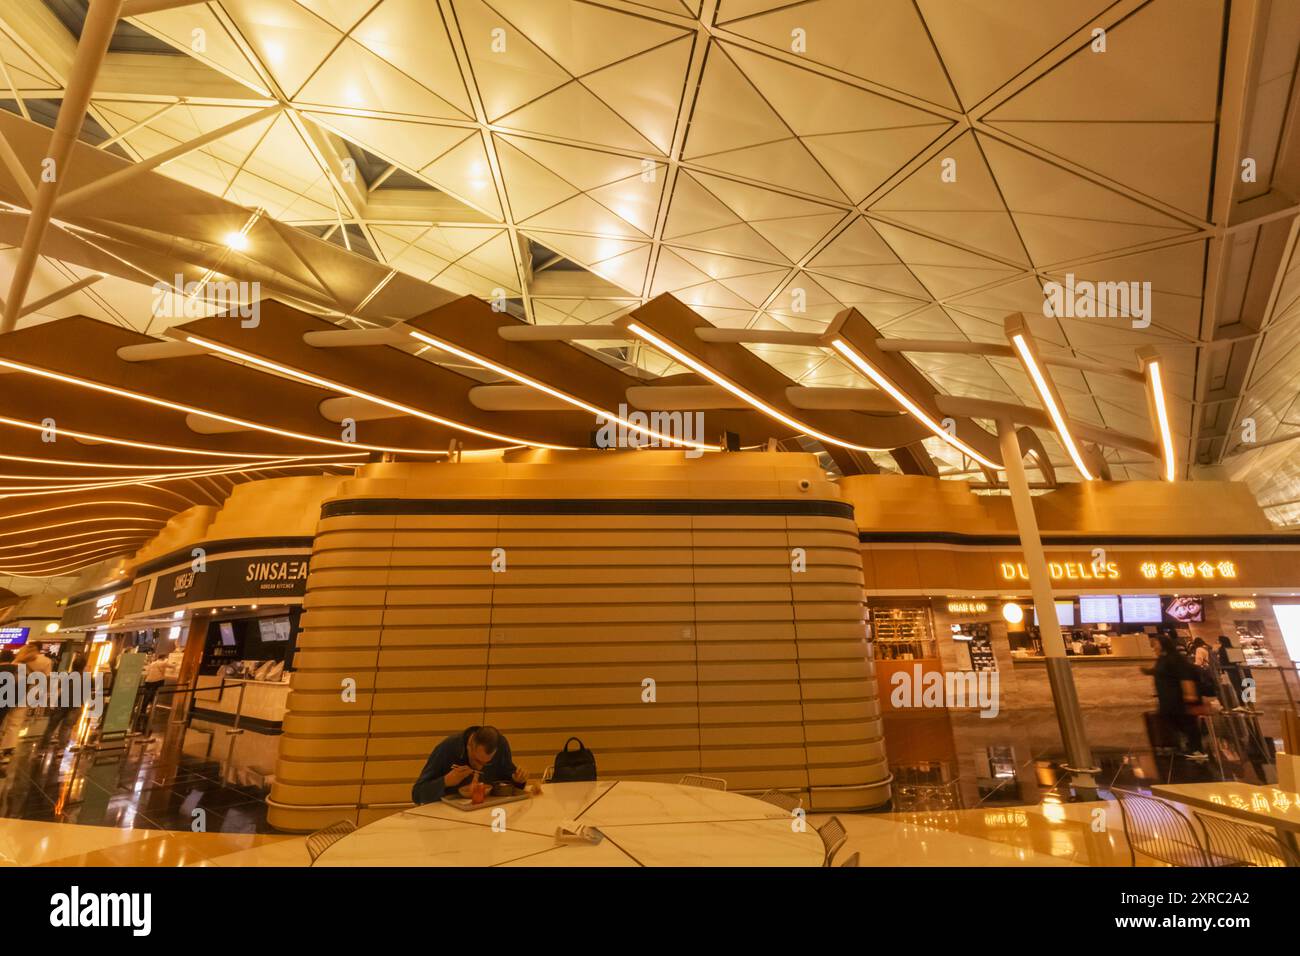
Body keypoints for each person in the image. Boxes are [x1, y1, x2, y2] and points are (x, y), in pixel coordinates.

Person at [412, 725, 527, 804]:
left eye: (487, 763)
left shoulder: (501, 745)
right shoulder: (448, 748)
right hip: (449, 819)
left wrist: (518, 781)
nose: (480, 767)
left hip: (488, 812)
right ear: (469, 745)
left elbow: (508, 786)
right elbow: (417, 794)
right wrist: (446, 781)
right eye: (476, 760)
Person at [1143, 633, 1206, 759]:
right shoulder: (1163, 658)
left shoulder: (1174, 658)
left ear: (1163, 644)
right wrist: (1145, 671)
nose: (1153, 646)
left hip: (1177, 697)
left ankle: (1197, 749)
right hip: (1167, 697)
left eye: (1155, 643)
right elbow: (1158, 671)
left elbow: (1185, 676)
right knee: (1173, 719)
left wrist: (1190, 694)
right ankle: (1187, 746)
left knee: (1186, 722)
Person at [134, 654, 167, 734]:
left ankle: (143, 708)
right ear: (162, 658)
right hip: (156, 681)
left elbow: (147, 671)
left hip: (148, 681)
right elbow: (171, 665)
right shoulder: (161, 662)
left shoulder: (152, 663)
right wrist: (167, 660)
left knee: (147, 695)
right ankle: (149, 707)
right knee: (151, 695)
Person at [1216, 635, 1248, 706]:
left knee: (1236, 686)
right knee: (1241, 685)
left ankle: (1241, 702)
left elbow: (1222, 661)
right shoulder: (1231, 648)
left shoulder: (1221, 649)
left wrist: (1222, 669)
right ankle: (1247, 700)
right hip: (1236, 668)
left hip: (1229, 670)